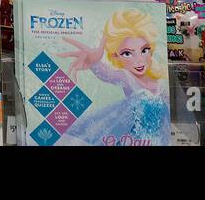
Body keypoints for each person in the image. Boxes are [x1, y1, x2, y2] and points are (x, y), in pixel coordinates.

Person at [57, 9, 168, 145]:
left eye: (144, 50)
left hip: (158, 137)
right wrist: (94, 63)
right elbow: (108, 75)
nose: (139, 60)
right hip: (135, 138)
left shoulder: (156, 79)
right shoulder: (127, 77)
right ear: (116, 56)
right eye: (127, 53)